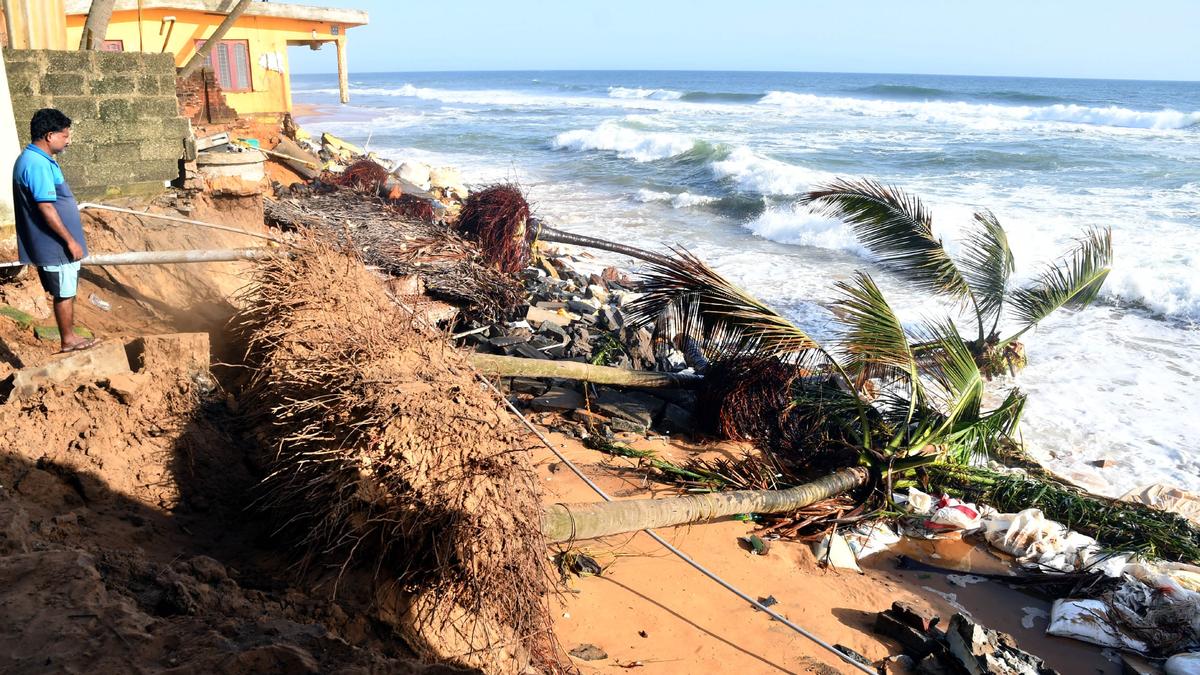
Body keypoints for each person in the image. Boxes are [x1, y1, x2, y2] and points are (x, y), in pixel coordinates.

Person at [12, 108, 97, 353]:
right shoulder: (36, 163)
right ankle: (68, 339)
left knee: (66, 291)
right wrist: (70, 241)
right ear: (50, 135)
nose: (68, 141)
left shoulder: (39, 160)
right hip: (55, 246)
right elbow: (46, 208)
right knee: (64, 292)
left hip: (55, 246)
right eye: (65, 136)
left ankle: (70, 337)